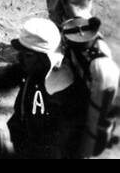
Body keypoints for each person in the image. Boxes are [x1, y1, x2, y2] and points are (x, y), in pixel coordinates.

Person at [7, 18, 85, 159]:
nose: (19, 58)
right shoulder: (37, 74)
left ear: (46, 59)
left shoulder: (64, 96)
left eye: (28, 55)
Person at [60, 16, 120, 156]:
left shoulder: (101, 68)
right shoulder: (81, 37)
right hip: (86, 87)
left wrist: (85, 151)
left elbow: (95, 114)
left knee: (93, 134)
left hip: (98, 98)